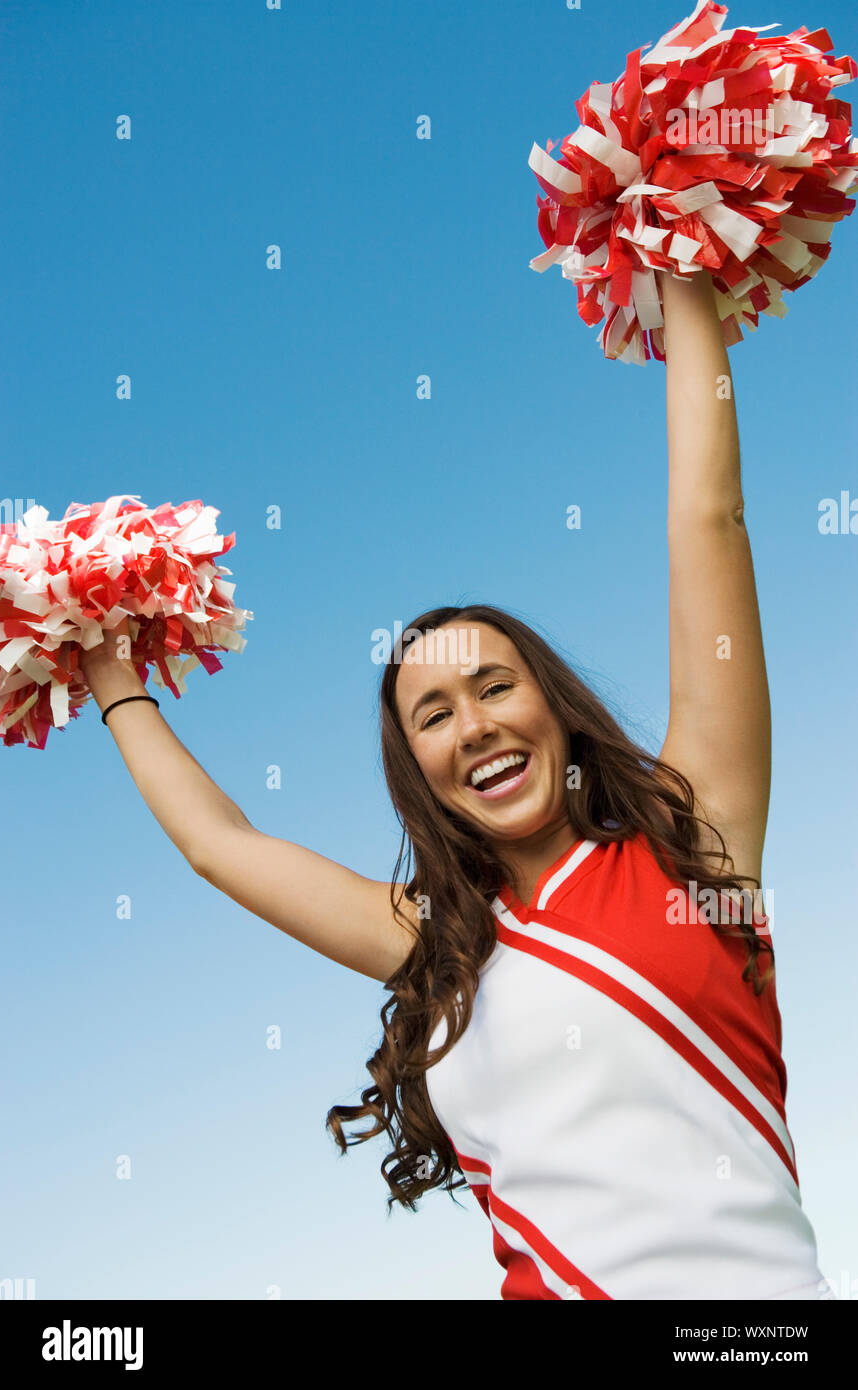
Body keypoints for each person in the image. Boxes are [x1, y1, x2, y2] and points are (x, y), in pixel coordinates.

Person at [78, 269, 829, 1300]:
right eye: (433, 715)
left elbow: (709, 518)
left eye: (492, 687)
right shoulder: (435, 942)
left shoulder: (690, 839)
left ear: (554, 708)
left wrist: (680, 256)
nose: (472, 725)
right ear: (417, 773)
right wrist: (99, 657)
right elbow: (223, 847)